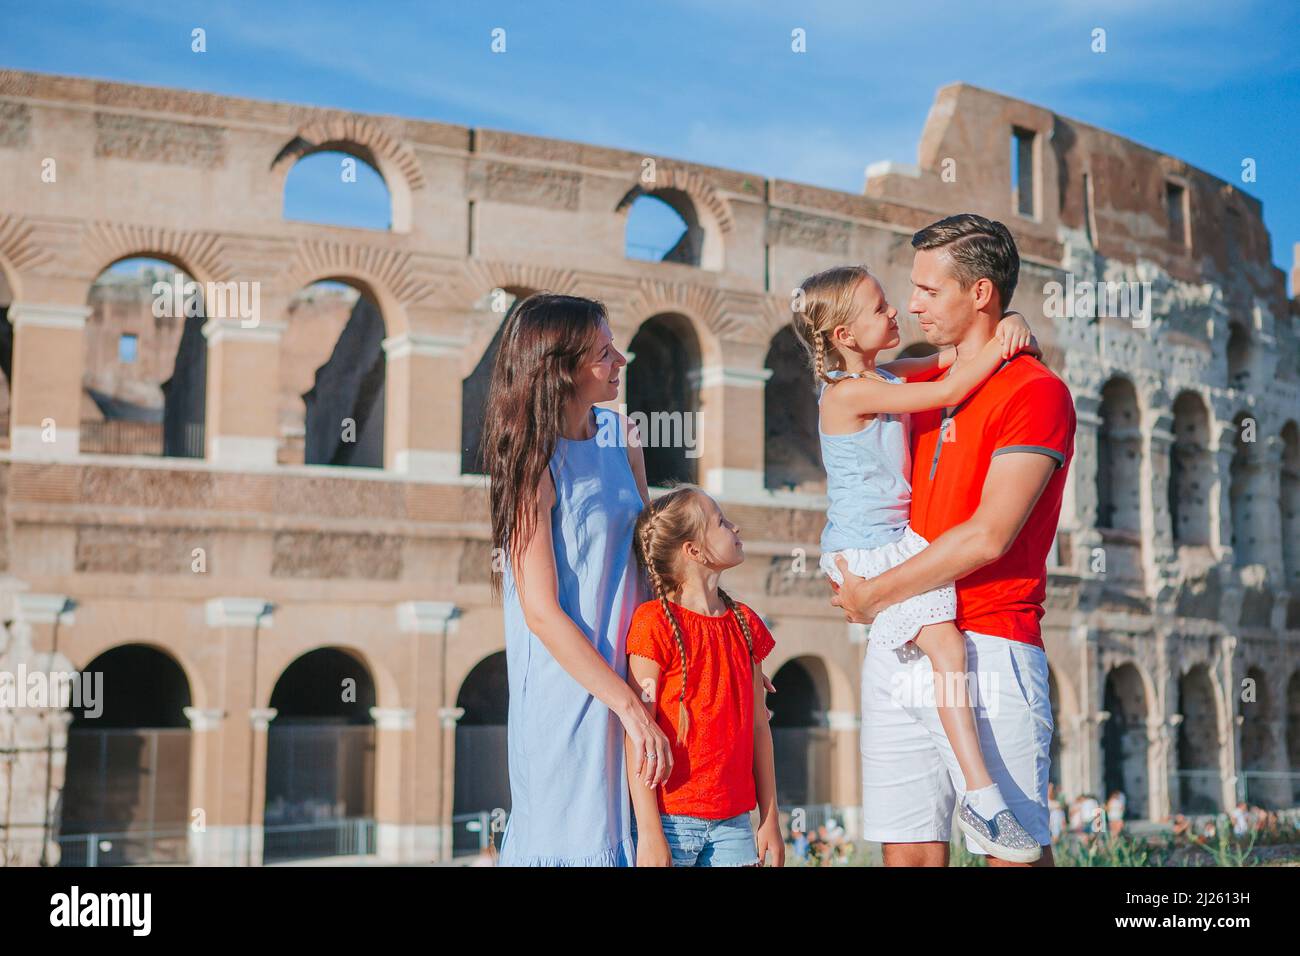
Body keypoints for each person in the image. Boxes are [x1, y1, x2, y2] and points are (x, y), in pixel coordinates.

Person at [830, 214, 1076, 868]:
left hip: (989, 641)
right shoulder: (907, 384)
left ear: (981, 294)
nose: (911, 305)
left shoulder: (1037, 392)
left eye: (929, 291)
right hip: (903, 640)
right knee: (907, 852)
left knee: (1012, 857)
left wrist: (873, 594)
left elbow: (988, 536)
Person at [792, 263, 1040, 863]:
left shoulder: (879, 374)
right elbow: (950, 389)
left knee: (941, 654)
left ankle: (976, 792)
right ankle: (981, 794)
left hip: (891, 543)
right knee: (947, 650)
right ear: (846, 336)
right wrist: (1003, 345)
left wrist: (1013, 321)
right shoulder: (849, 392)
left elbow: (947, 364)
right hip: (869, 550)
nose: (896, 311)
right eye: (880, 308)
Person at [484, 293, 672, 866]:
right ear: (561, 369)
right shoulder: (530, 464)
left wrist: (723, 641)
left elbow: (655, 558)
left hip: (636, 674)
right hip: (569, 692)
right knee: (575, 834)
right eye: (603, 352)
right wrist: (627, 708)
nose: (621, 360)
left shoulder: (623, 436)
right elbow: (540, 610)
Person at [624, 485, 784, 867]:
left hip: (734, 826)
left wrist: (771, 819)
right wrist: (649, 833)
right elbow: (637, 736)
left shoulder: (746, 624)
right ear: (693, 551)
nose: (736, 528)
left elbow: (760, 729)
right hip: (669, 822)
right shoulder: (653, 624)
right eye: (721, 523)